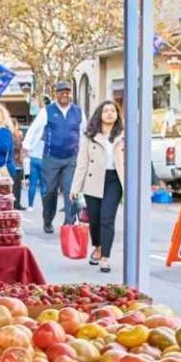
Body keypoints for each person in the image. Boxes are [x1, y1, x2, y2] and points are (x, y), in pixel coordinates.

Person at [71, 101, 126, 272]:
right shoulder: (90, 136)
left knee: (107, 218)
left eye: (113, 111)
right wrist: (75, 187)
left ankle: (105, 257)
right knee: (94, 219)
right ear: (99, 115)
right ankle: (98, 246)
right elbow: (82, 163)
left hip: (114, 180)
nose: (109, 113)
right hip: (93, 180)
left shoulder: (124, 136)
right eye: (106, 110)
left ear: (117, 115)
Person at [39, 80, 84, 233]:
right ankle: (48, 220)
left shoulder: (78, 112)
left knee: (71, 191)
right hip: (51, 157)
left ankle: (69, 223)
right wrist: (27, 145)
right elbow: (36, 129)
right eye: (61, 91)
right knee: (50, 191)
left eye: (67, 91)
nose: (65, 94)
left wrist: (84, 153)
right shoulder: (47, 111)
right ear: (56, 94)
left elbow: (84, 132)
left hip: (71, 157)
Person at [22, 107, 47, 210]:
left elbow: (28, 146)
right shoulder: (47, 138)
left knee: (32, 184)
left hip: (33, 159)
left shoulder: (35, 136)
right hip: (44, 161)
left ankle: (30, 205)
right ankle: (45, 206)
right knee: (43, 185)